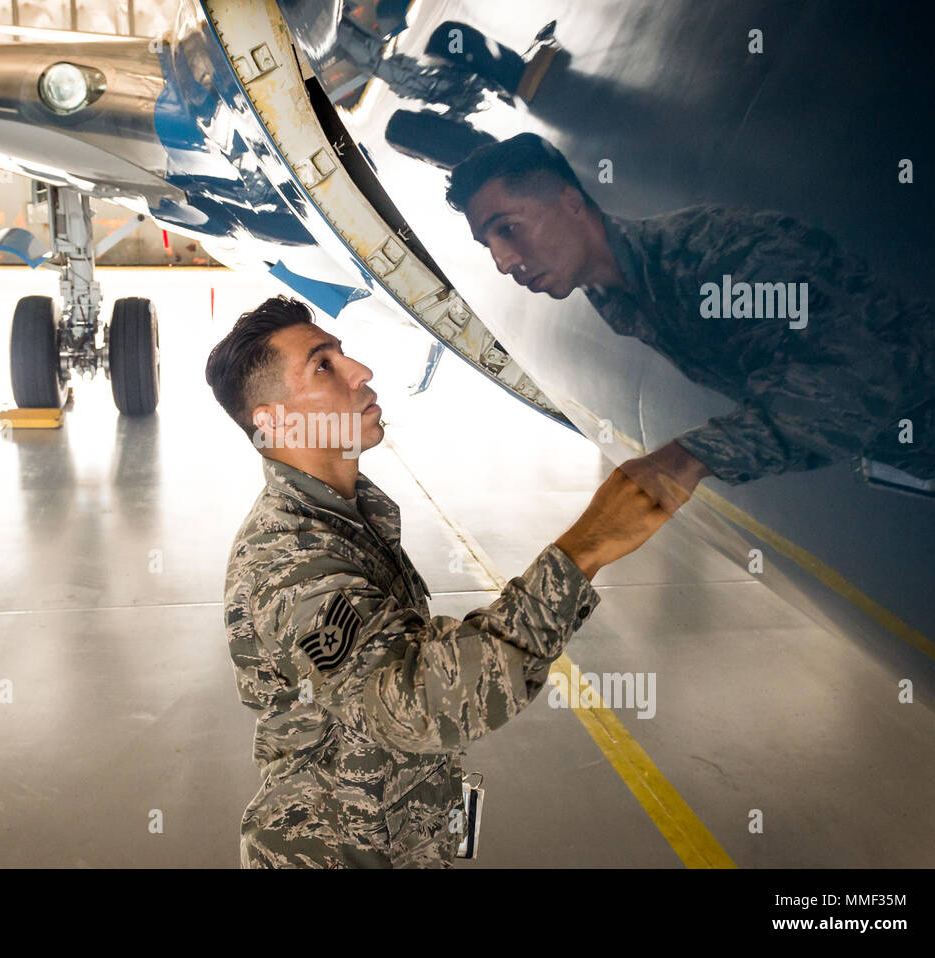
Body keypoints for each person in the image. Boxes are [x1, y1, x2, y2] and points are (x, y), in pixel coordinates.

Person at [205, 294, 671, 867]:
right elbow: (418, 701)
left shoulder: (351, 520)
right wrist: (585, 549)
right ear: (272, 419)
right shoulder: (289, 561)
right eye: (323, 365)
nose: (360, 371)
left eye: (342, 353)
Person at [445, 132, 935, 508]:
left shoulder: (720, 259)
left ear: (572, 201)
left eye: (508, 229)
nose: (503, 261)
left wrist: (685, 459)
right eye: (487, 243)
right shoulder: (616, 295)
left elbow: (848, 382)